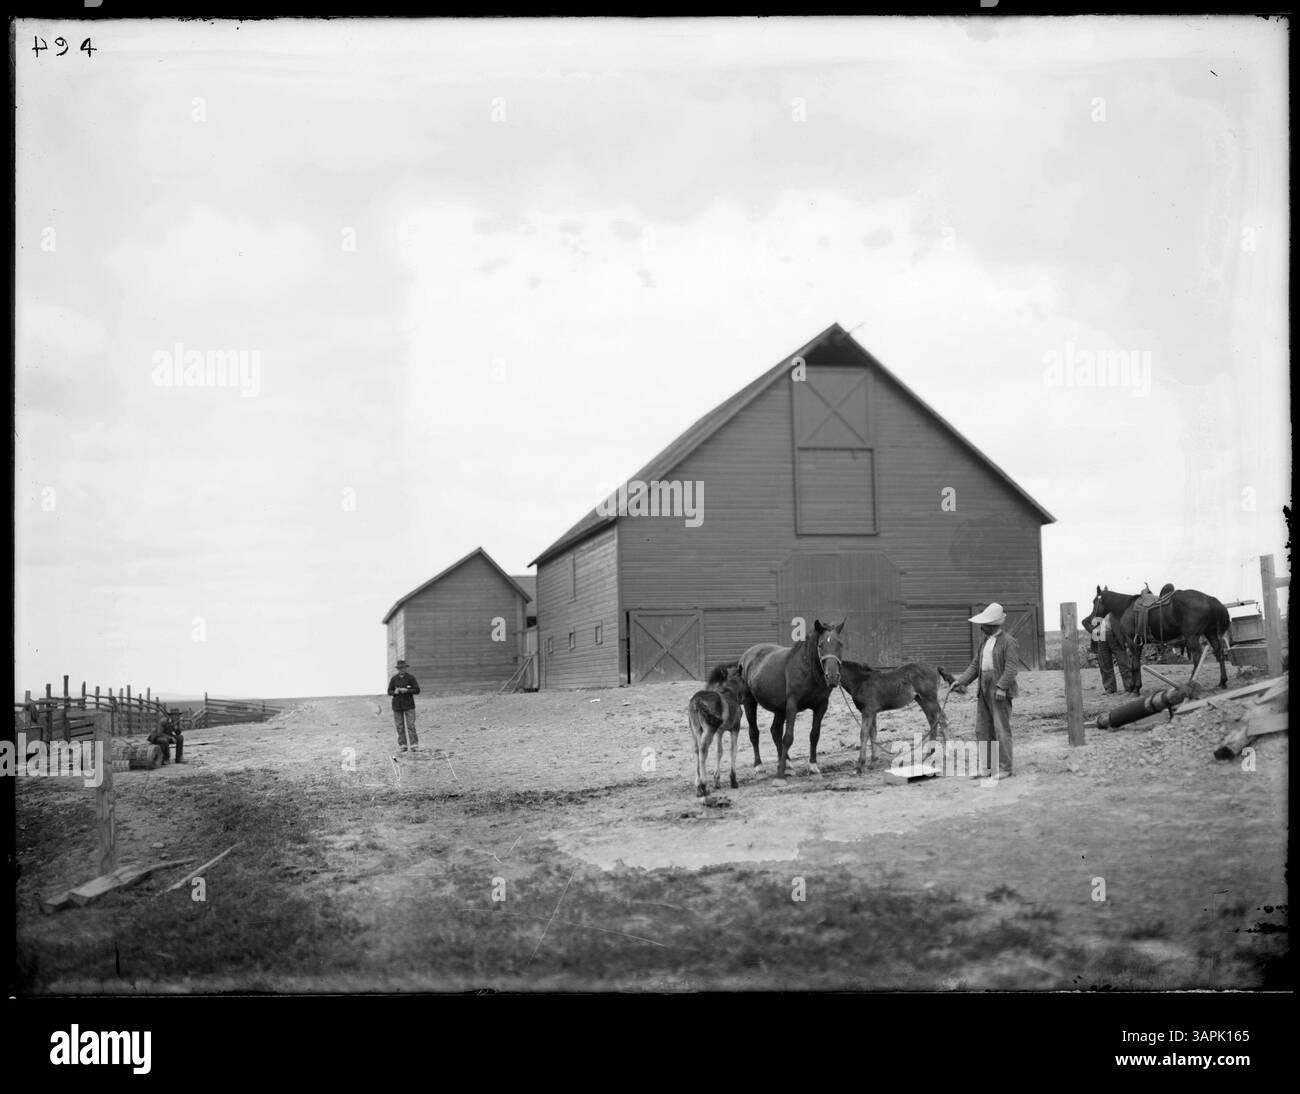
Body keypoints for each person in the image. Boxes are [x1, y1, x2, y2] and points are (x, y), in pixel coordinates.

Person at [950, 602, 1019, 778]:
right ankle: (988, 768)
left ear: (992, 625)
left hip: (999, 692)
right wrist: (962, 682)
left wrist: (1002, 687)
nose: (981, 628)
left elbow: (1011, 668)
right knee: (983, 729)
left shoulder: (1009, 642)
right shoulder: (984, 643)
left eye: (984, 624)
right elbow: (975, 665)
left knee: (1000, 729)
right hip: (984, 690)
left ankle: (1005, 768)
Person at [1081, 611, 1133, 694]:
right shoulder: (1097, 612)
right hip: (1101, 637)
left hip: (1116, 638)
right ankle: (1110, 689)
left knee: (1123, 663)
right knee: (1105, 664)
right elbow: (1084, 622)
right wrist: (1094, 631)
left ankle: (1130, 687)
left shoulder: (1118, 611)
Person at [387, 659, 421, 752]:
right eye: (400, 668)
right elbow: (389, 691)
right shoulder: (394, 679)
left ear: (406, 668)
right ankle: (403, 745)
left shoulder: (411, 678)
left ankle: (414, 744)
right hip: (397, 706)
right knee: (400, 726)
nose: (402, 669)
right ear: (398, 669)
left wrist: (407, 690)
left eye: (403, 668)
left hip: (409, 705)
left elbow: (417, 690)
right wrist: (395, 692)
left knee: (411, 725)